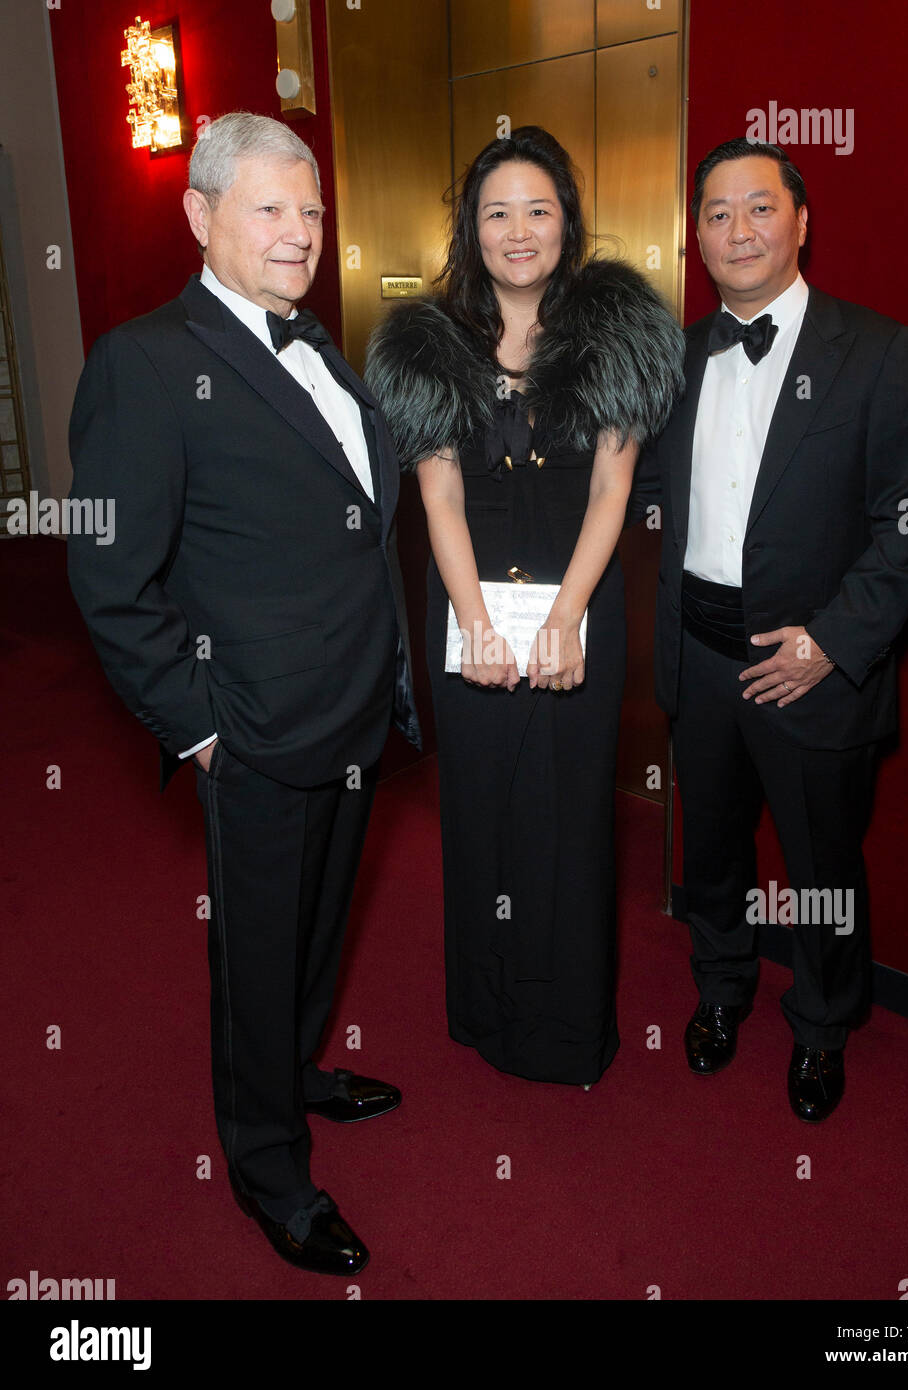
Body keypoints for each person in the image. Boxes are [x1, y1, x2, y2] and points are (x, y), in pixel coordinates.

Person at [66, 112, 420, 1273]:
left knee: (320, 924)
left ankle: (298, 1067)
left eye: (311, 209)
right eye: (269, 208)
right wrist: (204, 729)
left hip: (355, 709)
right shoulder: (145, 362)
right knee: (256, 953)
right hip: (255, 729)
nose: (299, 232)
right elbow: (112, 576)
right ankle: (268, 1167)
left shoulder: (317, 344)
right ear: (200, 216)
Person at [630, 137, 908, 1120]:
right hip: (698, 654)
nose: (736, 230)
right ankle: (720, 991)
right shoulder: (675, 357)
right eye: (715, 213)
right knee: (710, 853)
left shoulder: (879, 351)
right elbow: (635, 493)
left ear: (800, 222)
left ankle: (819, 1025)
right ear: (696, 238)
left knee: (819, 869)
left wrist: (827, 643)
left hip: (811, 664)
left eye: (757, 208)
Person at [365, 126, 683, 1086]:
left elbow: (612, 492)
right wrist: (472, 621)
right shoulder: (431, 340)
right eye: (496, 211)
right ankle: (489, 1010)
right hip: (466, 605)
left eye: (537, 210)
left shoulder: (616, 329)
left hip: (576, 601)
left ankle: (565, 1028)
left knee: (571, 816)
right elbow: (440, 496)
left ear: (566, 223)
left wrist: (563, 618)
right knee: (481, 808)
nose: (517, 230)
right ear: (471, 227)